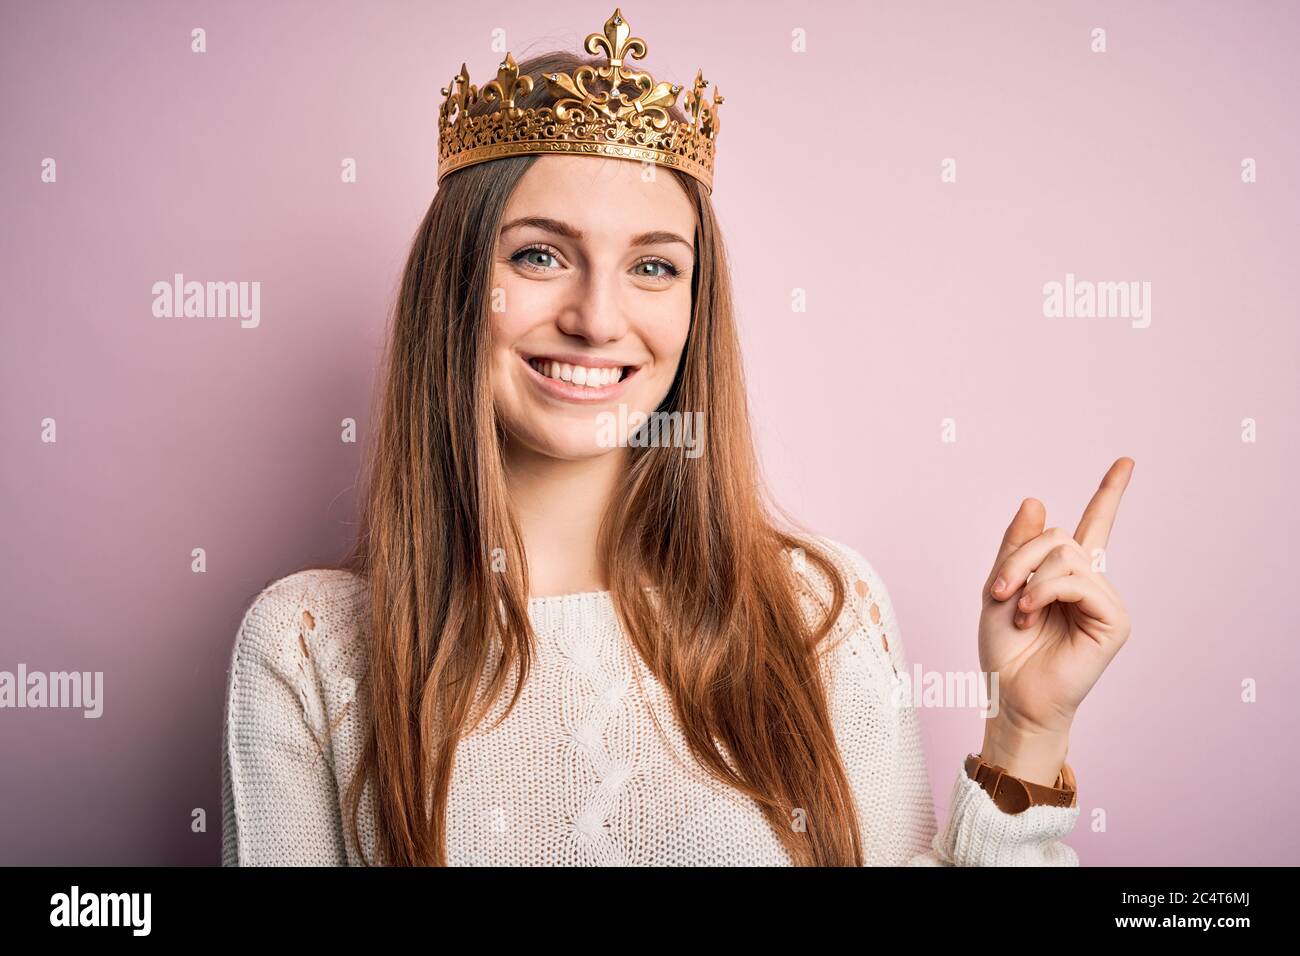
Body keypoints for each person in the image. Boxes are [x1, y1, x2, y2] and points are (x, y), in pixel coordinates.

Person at [220, 8, 1134, 867]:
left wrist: (1026, 733)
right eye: (539, 253)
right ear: (457, 284)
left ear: (697, 308)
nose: (597, 318)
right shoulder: (308, 648)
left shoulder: (823, 610)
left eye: (654, 266)